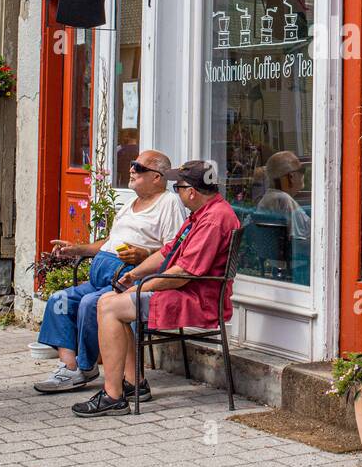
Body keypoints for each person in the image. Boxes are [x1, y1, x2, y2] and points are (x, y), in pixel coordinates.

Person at [73, 160, 239, 417]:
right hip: (183, 290)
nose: (175, 191)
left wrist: (139, 288)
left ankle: (113, 395)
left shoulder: (214, 220)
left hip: (196, 298)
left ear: (191, 191)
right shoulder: (202, 214)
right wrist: (134, 276)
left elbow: (183, 274)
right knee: (109, 301)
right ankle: (133, 384)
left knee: (109, 306)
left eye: (178, 187)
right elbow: (167, 252)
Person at [34, 151, 186, 393]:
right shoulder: (130, 204)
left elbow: (174, 250)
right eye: (132, 165)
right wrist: (76, 249)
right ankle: (70, 367)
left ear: (157, 177)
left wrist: (143, 255)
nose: (131, 170)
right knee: (58, 300)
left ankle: (85, 366)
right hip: (101, 275)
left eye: (138, 167)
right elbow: (109, 241)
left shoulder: (168, 204)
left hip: (128, 277)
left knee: (90, 303)